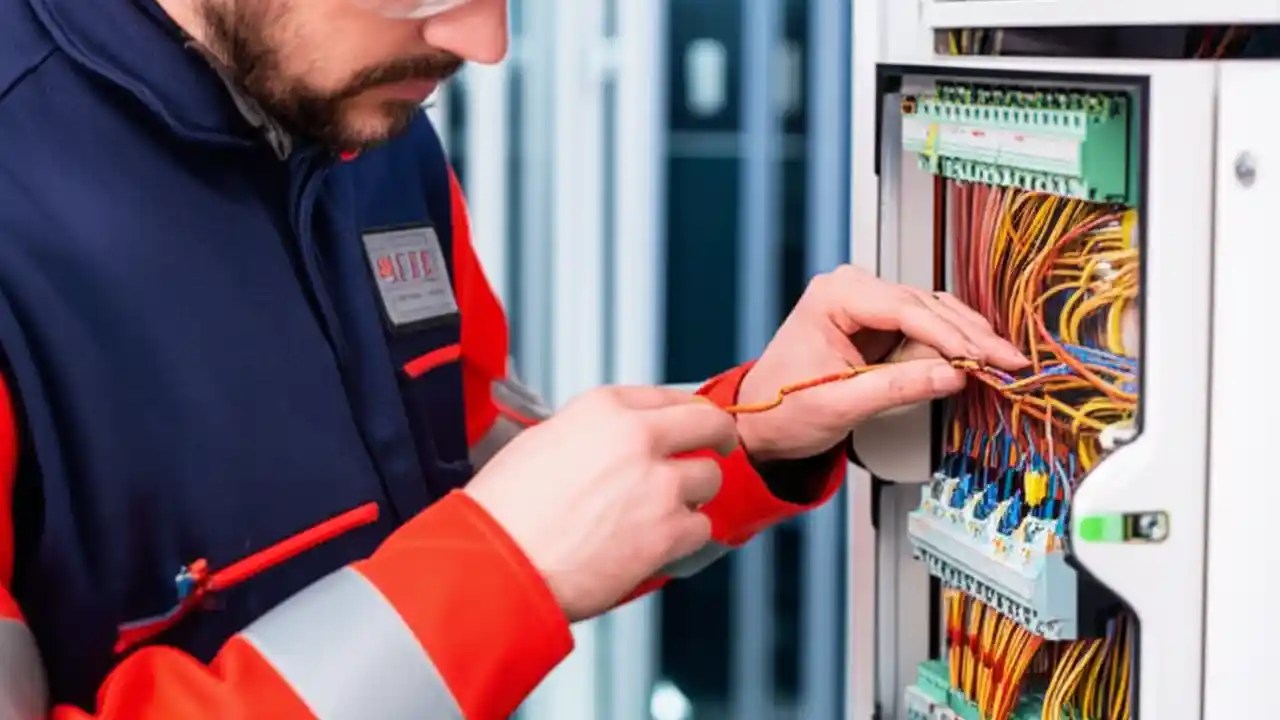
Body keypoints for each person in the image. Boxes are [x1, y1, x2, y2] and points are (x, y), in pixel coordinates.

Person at [0, 0, 1028, 717]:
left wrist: (753, 427)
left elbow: (496, 481)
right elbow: (501, 546)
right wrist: (496, 574)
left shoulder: (377, 138)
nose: (481, 42)